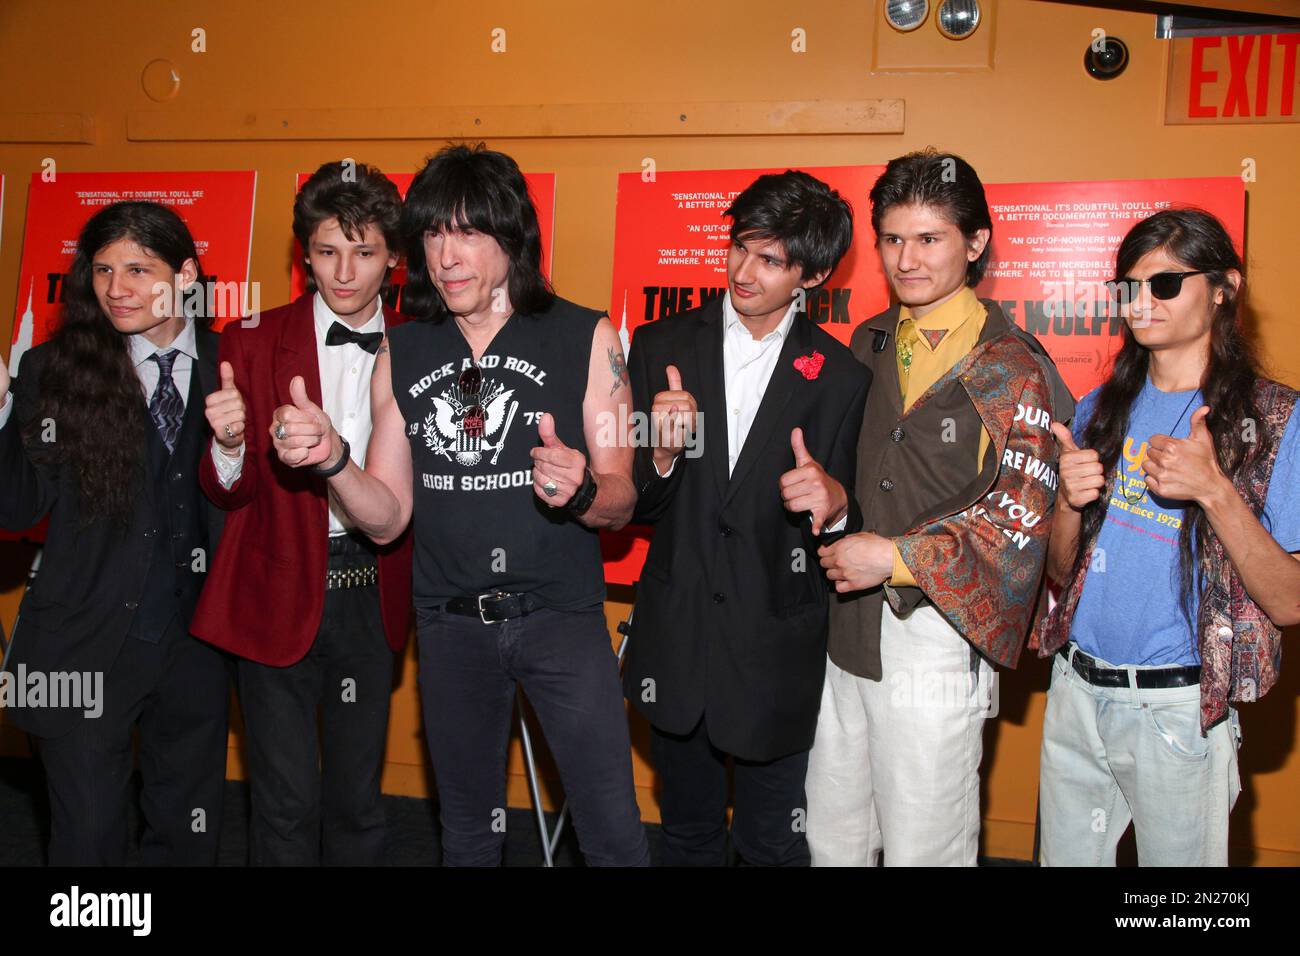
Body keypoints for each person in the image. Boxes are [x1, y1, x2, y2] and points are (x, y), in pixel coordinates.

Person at [266, 144, 648, 866]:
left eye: (470, 231)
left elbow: (622, 499)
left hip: (560, 620)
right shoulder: (399, 353)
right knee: (468, 833)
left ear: (513, 238)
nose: (447, 254)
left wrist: (585, 489)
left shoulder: (588, 335)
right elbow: (387, 518)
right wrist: (333, 462)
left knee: (612, 827)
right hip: (451, 627)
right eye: (435, 233)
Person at [808, 149, 1074, 866]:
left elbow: (1024, 522)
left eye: (930, 238)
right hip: (845, 631)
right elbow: (852, 474)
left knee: (926, 850)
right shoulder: (864, 342)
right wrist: (833, 502)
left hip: (937, 638)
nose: (907, 259)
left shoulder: (1015, 365)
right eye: (892, 239)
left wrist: (894, 557)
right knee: (833, 842)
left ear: (976, 243)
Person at [1034, 208, 1300, 866]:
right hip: (1076, 694)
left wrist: (1213, 489)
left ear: (1223, 288)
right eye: (1128, 287)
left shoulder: (1273, 420)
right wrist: (1068, 501)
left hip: (1177, 712)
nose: (1140, 303)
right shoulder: (1101, 407)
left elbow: (1290, 602)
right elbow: (1062, 574)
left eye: (1163, 284)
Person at [623, 170, 870, 866]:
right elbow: (633, 505)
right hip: (677, 642)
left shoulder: (842, 376)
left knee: (771, 843)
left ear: (811, 273)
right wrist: (663, 456)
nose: (743, 270)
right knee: (686, 832)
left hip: (775, 654)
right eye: (739, 247)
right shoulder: (658, 346)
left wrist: (837, 504)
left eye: (769, 259)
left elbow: (848, 526)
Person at [192, 161, 413, 865]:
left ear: (396, 258)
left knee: (356, 803)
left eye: (365, 251)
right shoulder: (249, 338)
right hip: (275, 586)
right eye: (326, 251)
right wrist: (229, 446)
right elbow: (227, 492)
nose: (344, 272)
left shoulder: (424, 345)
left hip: (374, 589)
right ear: (303, 255)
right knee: (282, 803)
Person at [0, 201, 231, 865]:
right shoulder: (54, 369)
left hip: (199, 645)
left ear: (185, 273)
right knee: (89, 838)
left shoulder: (234, 362)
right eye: (102, 269)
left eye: (138, 268)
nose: (116, 288)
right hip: (83, 641)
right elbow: (17, 507)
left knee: (188, 831)